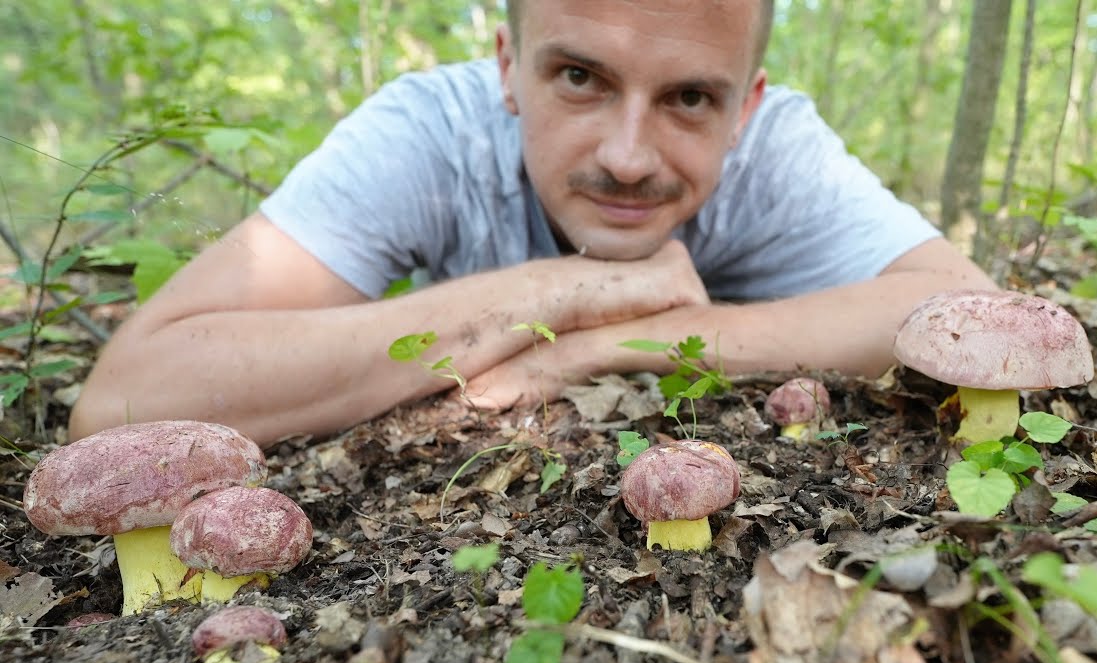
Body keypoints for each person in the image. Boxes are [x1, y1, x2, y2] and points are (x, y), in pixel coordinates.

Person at [69, 0, 996, 447]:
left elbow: (966, 308)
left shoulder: (778, 151)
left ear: (746, 108)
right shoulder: (427, 133)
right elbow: (126, 397)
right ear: (508, 66)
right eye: (581, 77)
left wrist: (620, 339)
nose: (630, 157)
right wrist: (555, 291)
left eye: (688, 98)